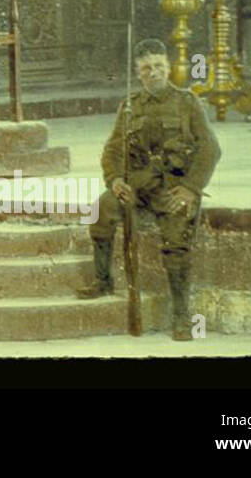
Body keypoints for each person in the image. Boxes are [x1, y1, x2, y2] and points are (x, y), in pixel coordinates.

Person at [75, 38, 221, 341]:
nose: (153, 73)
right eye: (146, 68)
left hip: (174, 187)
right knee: (100, 210)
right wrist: (115, 180)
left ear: (168, 68)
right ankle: (102, 280)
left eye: (158, 66)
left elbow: (210, 148)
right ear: (138, 73)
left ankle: (181, 317)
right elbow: (112, 150)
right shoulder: (130, 106)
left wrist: (192, 188)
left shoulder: (187, 102)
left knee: (176, 240)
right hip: (137, 187)